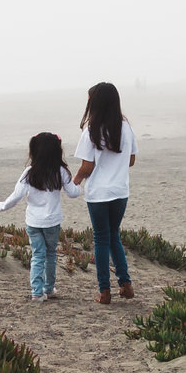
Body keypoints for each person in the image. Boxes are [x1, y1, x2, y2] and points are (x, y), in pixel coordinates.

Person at [72, 81, 139, 304]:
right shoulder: (126, 127)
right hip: (120, 191)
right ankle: (126, 283)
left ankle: (104, 291)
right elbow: (131, 160)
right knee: (114, 237)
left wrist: (76, 180)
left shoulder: (91, 130)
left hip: (99, 193)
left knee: (100, 239)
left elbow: (87, 166)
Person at [0, 132, 80, 301]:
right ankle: (48, 289)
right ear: (57, 151)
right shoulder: (61, 171)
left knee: (37, 255)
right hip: (52, 222)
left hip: (33, 222)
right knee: (50, 255)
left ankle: (37, 291)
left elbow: (16, 196)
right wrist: (79, 183)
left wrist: (2, 206)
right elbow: (73, 193)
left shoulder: (29, 172)